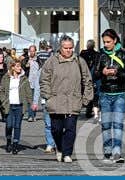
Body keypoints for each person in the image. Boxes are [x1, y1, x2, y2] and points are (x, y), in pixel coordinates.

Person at [40, 35, 93, 163]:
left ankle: (67, 153)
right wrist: (48, 96)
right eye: (66, 48)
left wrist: (86, 99)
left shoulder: (80, 61)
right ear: (60, 48)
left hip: (73, 100)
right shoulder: (52, 61)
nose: (68, 50)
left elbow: (88, 81)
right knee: (56, 129)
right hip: (55, 100)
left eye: (70, 48)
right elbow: (44, 79)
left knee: (70, 129)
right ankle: (59, 147)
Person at [94, 28, 125, 163]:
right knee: (106, 125)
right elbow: (95, 74)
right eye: (104, 42)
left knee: (118, 124)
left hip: (120, 93)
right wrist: (102, 72)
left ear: (115, 40)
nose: (106, 44)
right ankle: (108, 152)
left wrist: (117, 73)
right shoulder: (101, 55)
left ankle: (117, 153)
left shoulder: (123, 54)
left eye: (108, 42)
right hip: (105, 93)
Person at [2, 56, 33, 155]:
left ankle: (15, 145)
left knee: (17, 125)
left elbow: (28, 91)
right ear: (12, 67)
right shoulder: (6, 78)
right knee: (9, 124)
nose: (20, 68)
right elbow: (1, 90)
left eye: (20, 66)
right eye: (18, 66)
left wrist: (31, 103)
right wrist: (3, 100)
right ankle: (8, 142)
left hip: (20, 105)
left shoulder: (24, 78)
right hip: (9, 105)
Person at [83, 37, 100, 119]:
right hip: (93, 76)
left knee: (87, 92)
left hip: (85, 75)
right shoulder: (96, 54)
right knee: (94, 93)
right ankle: (92, 109)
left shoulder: (83, 53)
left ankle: (88, 109)